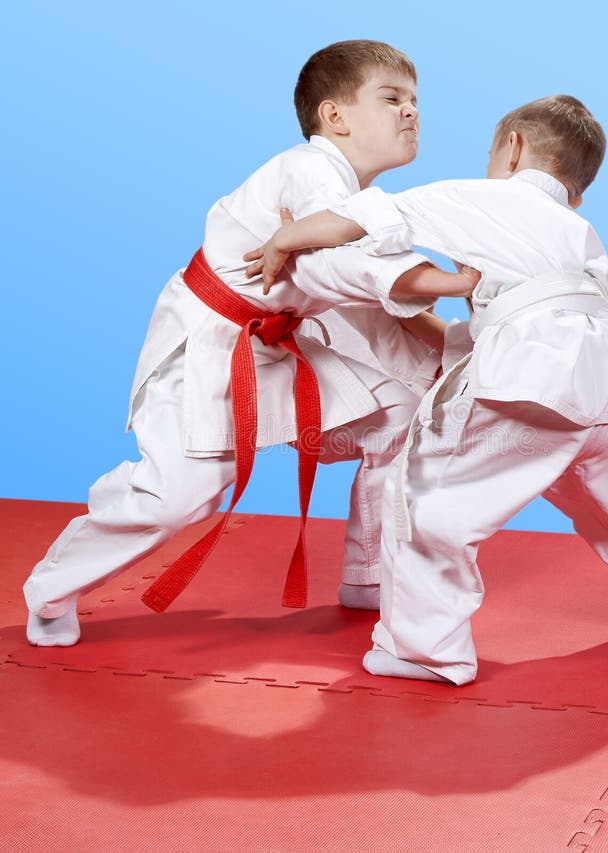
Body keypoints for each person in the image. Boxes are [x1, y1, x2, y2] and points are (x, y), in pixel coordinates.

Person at [248, 94, 608, 685]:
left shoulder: (481, 195)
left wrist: (284, 241)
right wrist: (414, 316)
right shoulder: (581, 231)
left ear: (513, 149)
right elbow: (522, 318)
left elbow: (360, 217)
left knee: (426, 501)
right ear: (577, 190)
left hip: (536, 387)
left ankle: (422, 650)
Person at [23, 40, 477, 648]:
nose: (412, 113)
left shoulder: (352, 200)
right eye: (392, 98)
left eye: (416, 102)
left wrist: (460, 345)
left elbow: (378, 298)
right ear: (333, 116)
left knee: (399, 415)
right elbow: (353, 263)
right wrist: (460, 282)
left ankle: (370, 573)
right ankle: (51, 588)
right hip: (211, 345)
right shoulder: (311, 170)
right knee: (179, 497)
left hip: (278, 346)